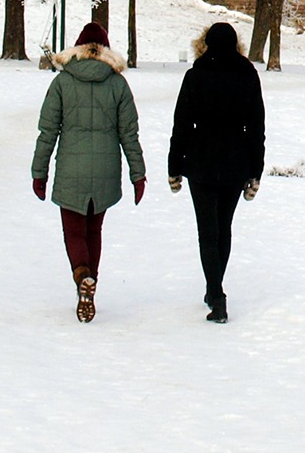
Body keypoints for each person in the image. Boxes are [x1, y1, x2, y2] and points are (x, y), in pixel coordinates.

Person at [31, 22, 145, 323]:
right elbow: (129, 133)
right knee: (94, 230)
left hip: (71, 167)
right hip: (106, 168)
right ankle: (90, 281)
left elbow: (47, 131)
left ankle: (82, 275)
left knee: (74, 231)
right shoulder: (118, 84)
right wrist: (138, 174)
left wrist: (39, 172)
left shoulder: (62, 82)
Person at [167, 21, 266, 323]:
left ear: (206, 43)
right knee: (224, 227)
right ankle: (215, 290)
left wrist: (174, 166)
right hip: (236, 162)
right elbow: (256, 127)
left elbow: (181, 123)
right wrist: (256, 170)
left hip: (201, 161)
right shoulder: (248, 75)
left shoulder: (196, 75)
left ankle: (216, 293)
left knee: (206, 232)